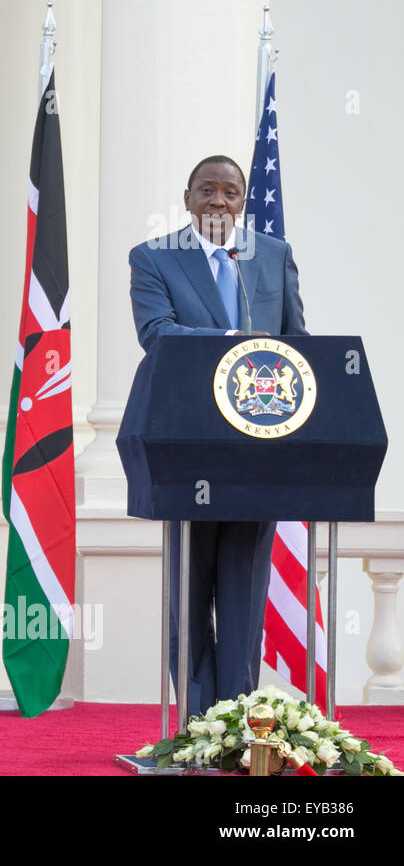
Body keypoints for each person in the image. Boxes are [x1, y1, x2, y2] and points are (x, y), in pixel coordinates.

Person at [128, 154, 306, 717]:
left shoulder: (272, 258)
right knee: (191, 586)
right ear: (187, 199)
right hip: (186, 446)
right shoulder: (154, 257)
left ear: (243, 201)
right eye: (207, 190)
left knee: (243, 593)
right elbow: (157, 333)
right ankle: (197, 721)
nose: (218, 202)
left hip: (259, 450)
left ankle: (236, 719)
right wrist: (235, 341)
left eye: (230, 192)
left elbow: (296, 343)